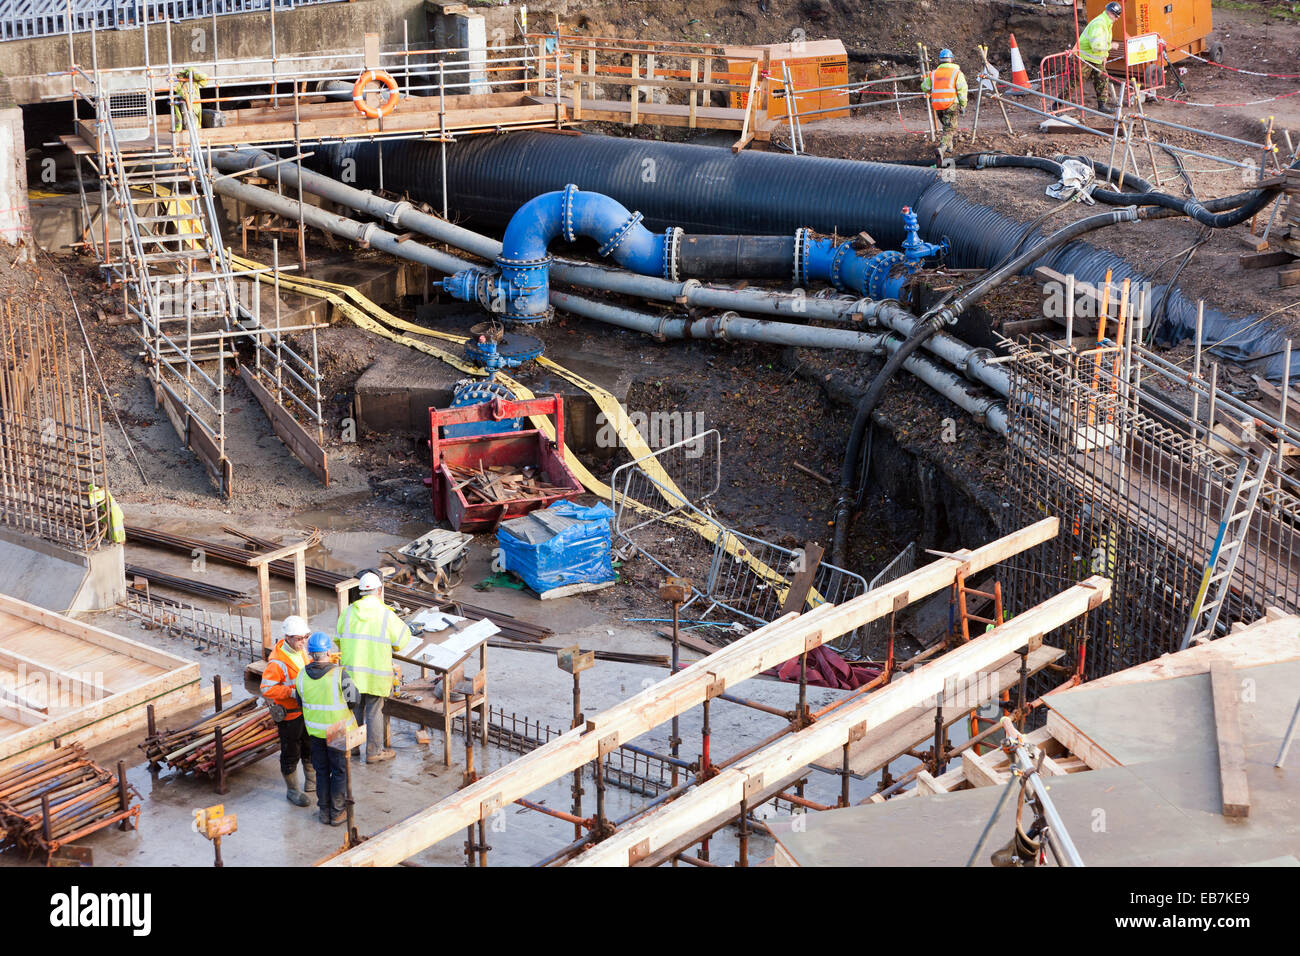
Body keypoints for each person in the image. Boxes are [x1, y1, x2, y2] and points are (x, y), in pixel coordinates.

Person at [336, 571, 407, 763]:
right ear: (379, 590)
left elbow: (338, 639)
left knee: (354, 710)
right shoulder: (386, 614)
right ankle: (374, 752)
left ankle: (355, 748)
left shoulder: (348, 612)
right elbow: (401, 641)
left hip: (352, 674)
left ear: (361, 592)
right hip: (375, 675)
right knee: (374, 712)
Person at [296, 632, 358, 826]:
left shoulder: (301, 676)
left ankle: (324, 811)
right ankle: (338, 812)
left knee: (321, 772)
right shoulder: (339, 674)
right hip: (337, 732)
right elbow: (354, 700)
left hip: (315, 733)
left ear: (310, 653)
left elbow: (300, 702)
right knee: (339, 771)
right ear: (328, 652)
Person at [259, 614, 315, 807]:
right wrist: (292, 692)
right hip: (289, 715)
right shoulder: (277, 662)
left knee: (309, 746)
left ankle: (311, 781)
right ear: (288, 638)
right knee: (291, 752)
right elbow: (266, 688)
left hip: (305, 711)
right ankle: (292, 790)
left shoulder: (301, 651)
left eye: (306, 637)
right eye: (299, 639)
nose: (304, 642)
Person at [920, 49, 968, 157]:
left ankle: (949, 146)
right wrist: (963, 104)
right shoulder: (957, 73)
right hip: (951, 104)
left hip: (938, 105)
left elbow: (925, 87)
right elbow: (962, 90)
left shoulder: (933, 74)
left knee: (946, 125)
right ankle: (942, 148)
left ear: (940, 61)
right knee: (950, 127)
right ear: (951, 60)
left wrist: (925, 79)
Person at [1078, 2, 1122, 113]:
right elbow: (1097, 46)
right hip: (1084, 58)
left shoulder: (1107, 23)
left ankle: (1102, 106)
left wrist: (1104, 56)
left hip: (1095, 58)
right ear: (1110, 13)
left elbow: (1104, 41)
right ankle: (1056, 106)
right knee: (1075, 83)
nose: (1117, 19)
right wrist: (1111, 46)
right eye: (1116, 16)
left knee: (1102, 78)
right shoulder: (1100, 23)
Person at [171, 66, 210, 133]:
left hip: (194, 106)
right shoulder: (182, 84)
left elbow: (204, 79)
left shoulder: (193, 81)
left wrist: (191, 70)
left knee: (194, 123)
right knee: (189, 123)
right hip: (188, 106)